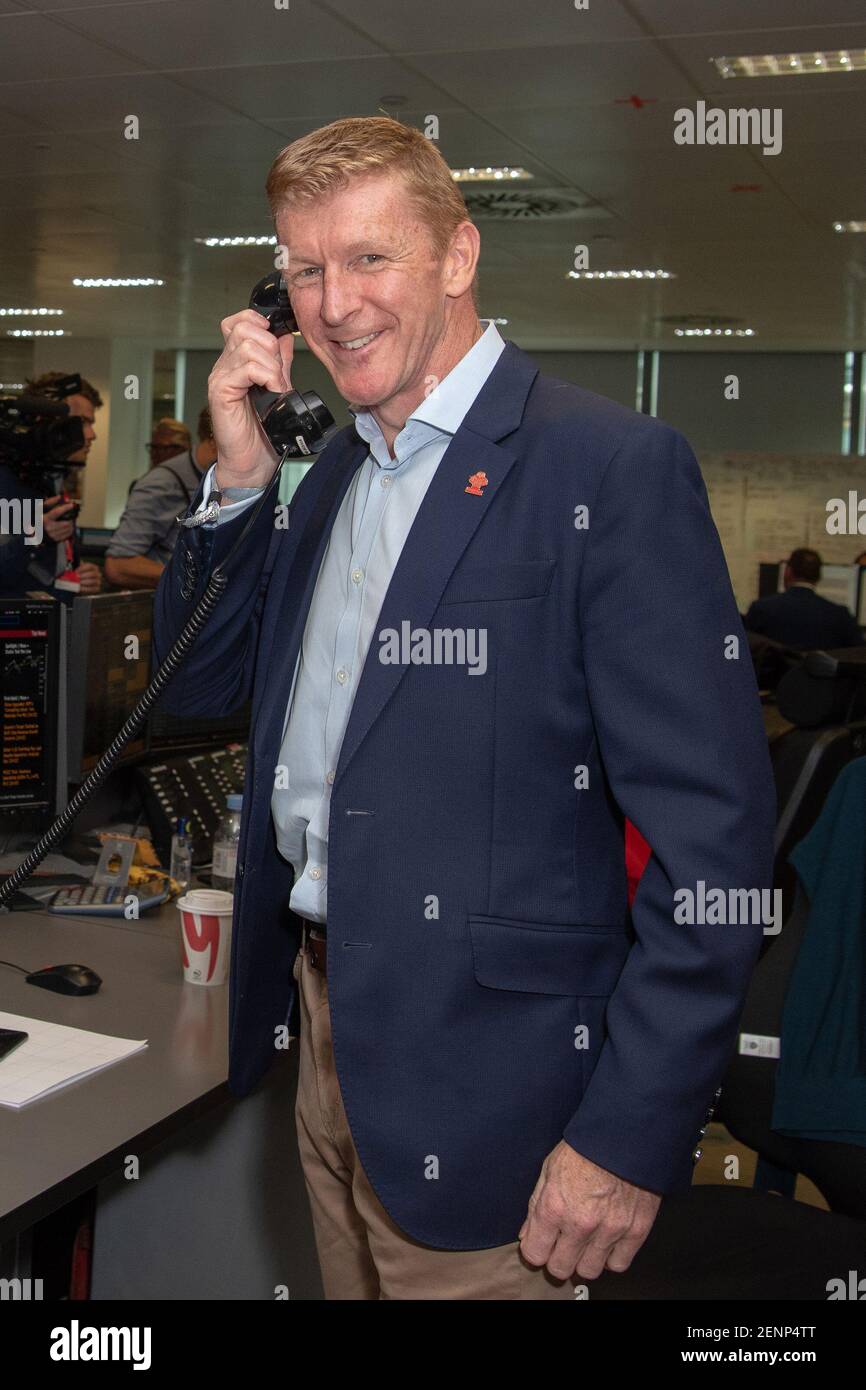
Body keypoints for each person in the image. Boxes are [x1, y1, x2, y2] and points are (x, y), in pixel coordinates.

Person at [153, 116, 776, 1300]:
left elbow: (716, 855)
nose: (334, 306)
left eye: (369, 259)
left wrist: (627, 1138)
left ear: (456, 256)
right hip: (326, 1043)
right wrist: (236, 484)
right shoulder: (328, 470)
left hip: (511, 1106)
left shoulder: (606, 468)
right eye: (303, 269)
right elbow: (196, 691)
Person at [0, 371, 103, 599]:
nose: (92, 435)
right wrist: (36, 533)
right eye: (83, 422)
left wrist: (81, 576)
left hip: (52, 627)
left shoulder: (51, 479)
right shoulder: (9, 481)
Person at [105, 415, 213, 590]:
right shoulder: (161, 483)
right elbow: (118, 565)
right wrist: (194, 581)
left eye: (169, 447)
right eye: (155, 447)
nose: (158, 453)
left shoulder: (208, 479)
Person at [744, 547, 864, 651]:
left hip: (776, 677)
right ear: (818, 577)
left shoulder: (761, 608)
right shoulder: (840, 615)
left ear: (788, 572)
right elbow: (858, 654)